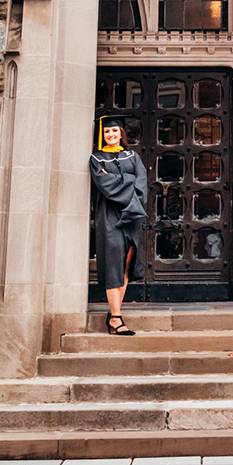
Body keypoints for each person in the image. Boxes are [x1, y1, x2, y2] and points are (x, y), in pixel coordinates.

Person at [89, 118, 147, 335]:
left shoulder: (134, 156)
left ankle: (115, 312)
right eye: (107, 131)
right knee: (113, 262)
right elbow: (105, 186)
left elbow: (141, 183)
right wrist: (128, 180)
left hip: (132, 215)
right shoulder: (97, 159)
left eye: (114, 130)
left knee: (126, 264)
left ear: (121, 133)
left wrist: (118, 179)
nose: (110, 134)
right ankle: (116, 317)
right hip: (109, 216)